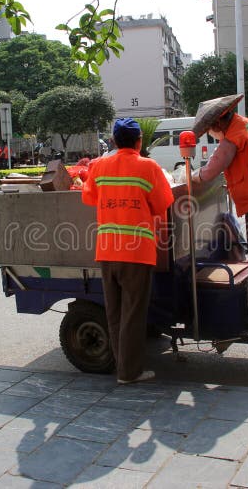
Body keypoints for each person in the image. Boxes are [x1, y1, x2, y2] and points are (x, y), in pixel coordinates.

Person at [82, 118, 174, 384]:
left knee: (114, 313)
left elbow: (89, 197)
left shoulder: (99, 167)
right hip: (137, 253)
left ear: (113, 141)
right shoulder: (148, 167)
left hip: (107, 251)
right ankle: (129, 372)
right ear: (139, 142)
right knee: (133, 314)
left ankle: (122, 366)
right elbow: (162, 204)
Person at [191, 94, 248, 329]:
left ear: (219, 122)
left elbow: (215, 165)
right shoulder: (241, 125)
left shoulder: (235, 131)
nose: (214, 133)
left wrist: (193, 177)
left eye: (212, 129)